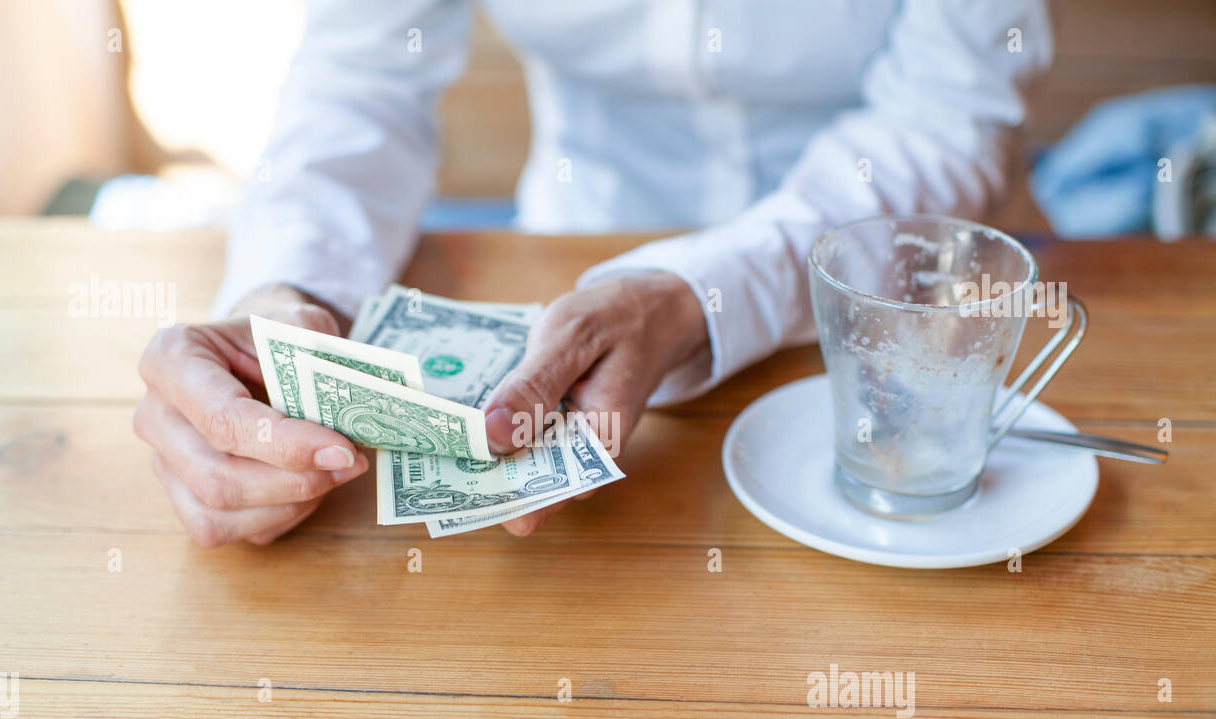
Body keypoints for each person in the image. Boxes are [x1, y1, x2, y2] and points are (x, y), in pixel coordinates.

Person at [135, 0, 1053, 545]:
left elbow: (948, 118)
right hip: (568, 269)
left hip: (901, 310)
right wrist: (284, 291)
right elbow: (360, 81)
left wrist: (699, 292)